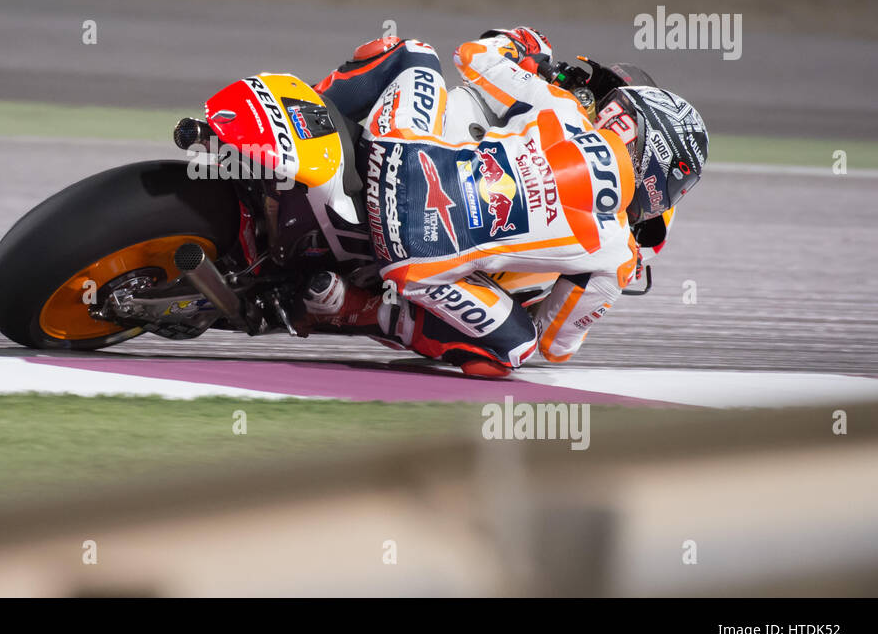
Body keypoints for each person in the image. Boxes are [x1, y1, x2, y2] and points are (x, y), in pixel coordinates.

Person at [302, 28, 709, 377]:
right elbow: (557, 346)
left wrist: (518, 41)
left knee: (413, 54)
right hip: (416, 260)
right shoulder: (617, 251)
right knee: (515, 348)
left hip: (395, 158)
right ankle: (350, 306)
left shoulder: (560, 107)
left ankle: (307, 113)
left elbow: (472, 54)